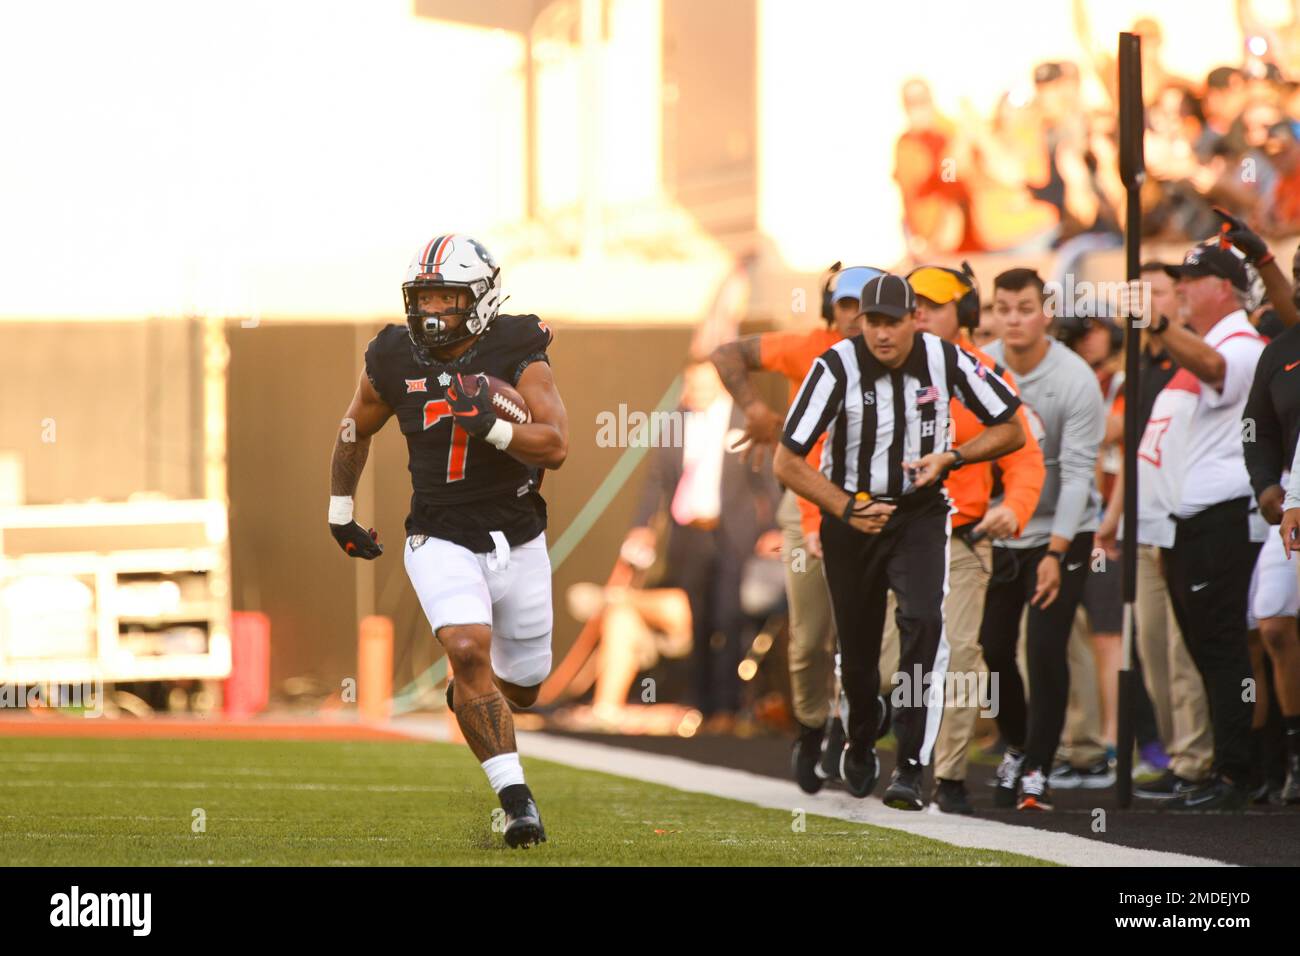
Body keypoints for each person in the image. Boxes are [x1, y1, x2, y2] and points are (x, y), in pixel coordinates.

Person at [328, 233, 567, 848]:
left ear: (481, 300)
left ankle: (470, 695)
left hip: (518, 535)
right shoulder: (392, 355)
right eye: (424, 297)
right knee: (465, 648)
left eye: (448, 298)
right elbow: (356, 426)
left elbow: (556, 446)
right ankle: (519, 805)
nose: (433, 311)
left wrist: (489, 424)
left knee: (525, 684)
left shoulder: (517, 345)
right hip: (438, 532)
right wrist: (339, 509)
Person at [774, 274, 1025, 810]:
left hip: (919, 512)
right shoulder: (835, 366)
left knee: (925, 626)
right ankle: (863, 730)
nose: (883, 334)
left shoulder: (946, 358)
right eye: (873, 322)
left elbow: (1011, 427)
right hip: (852, 514)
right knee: (860, 652)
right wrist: (844, 508)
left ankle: (911, 765)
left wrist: (954, 457)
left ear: (915, 318)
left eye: (894, 321)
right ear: (860, 322)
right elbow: (787, 460)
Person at [878, 265, 1045, 814]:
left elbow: (1024, 454)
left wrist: (1014, 508)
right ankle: (874, 737)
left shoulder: (985, 372)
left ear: (967, 313)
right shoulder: (876, 369)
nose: (920, 310)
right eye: (914, 301)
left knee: (962, 656)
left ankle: (945, 774)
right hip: (888, 533)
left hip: (960, 536)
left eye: (935, 302)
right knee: (885, 662)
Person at [710, 264, 881, 792]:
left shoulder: (901, 357)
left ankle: (862, 732)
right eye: (847, 306)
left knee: (882, 643)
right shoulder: (808, 345)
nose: (856, 317)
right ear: (833, 309)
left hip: (880, 511)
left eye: (867, 307)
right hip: (808, 502)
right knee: (809, 638)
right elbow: (726, 353)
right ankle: (812, 726)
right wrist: (757, 410)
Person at [978, 268, 1106, 811]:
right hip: (999, 526)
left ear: (1045, 311)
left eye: (1024, 307)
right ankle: (1017, 743)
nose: (1013, 319)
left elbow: (1079, 473)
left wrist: (1056, 551)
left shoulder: (1075, 378)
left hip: (1062, 528)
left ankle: (1037, 768)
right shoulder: (980, 366)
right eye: (1003, 307)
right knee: (990, 644)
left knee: (1046, 646)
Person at [1152, 241, 1268, 811]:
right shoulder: (1212, 342)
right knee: (1208, 645)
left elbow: (1217, 370)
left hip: (1223, 517)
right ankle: (1232, 766)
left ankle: (1235, 772)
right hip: (1191, 520)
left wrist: (1157, 325)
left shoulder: (1242, 343)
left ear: (1225, 287)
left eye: (1193, 279)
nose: (1181, 289)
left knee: (1221, 645)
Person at [1098, 262, 1215, 798]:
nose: (1147, 303)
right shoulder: (1137, 368)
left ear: (1179, 296)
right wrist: (1114, 515)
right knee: (1150, 646)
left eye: (1159, 292)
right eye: (1138, 293)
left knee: (1178, 644)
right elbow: (1136, 448)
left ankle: (1196, 759)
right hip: (1141, 522)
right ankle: (1175, 754)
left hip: (1179, 521)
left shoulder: (1189, 359)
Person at [621, 360, 780, 731]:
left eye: (705, 383)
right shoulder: (676, 421)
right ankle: (700, 704)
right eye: (692, 383)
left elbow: (767, 480)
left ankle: (727, 706)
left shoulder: (743, 421)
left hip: (732, 535)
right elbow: (656, 481)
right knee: (697, 620)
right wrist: (641, 527)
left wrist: (772, 528)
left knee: (728, 617)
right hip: (688, 534)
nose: (697, 390)